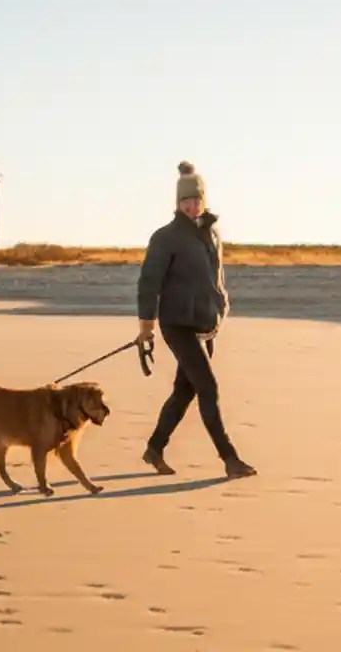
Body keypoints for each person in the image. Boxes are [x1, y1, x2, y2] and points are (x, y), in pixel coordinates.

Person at [135, 160, 257, 479]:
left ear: (204, 201)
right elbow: (149, 282)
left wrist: (219, 307)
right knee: (208, 387)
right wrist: (146, 327)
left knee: (184, 391)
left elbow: (214, 278)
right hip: (177, 323)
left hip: (205, 324)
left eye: (196, 200)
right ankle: (230, 458)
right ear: (177, 204)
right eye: (185, 201)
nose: (191, 206)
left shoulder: (212, 233)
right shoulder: (166, 237)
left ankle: (155, 448)